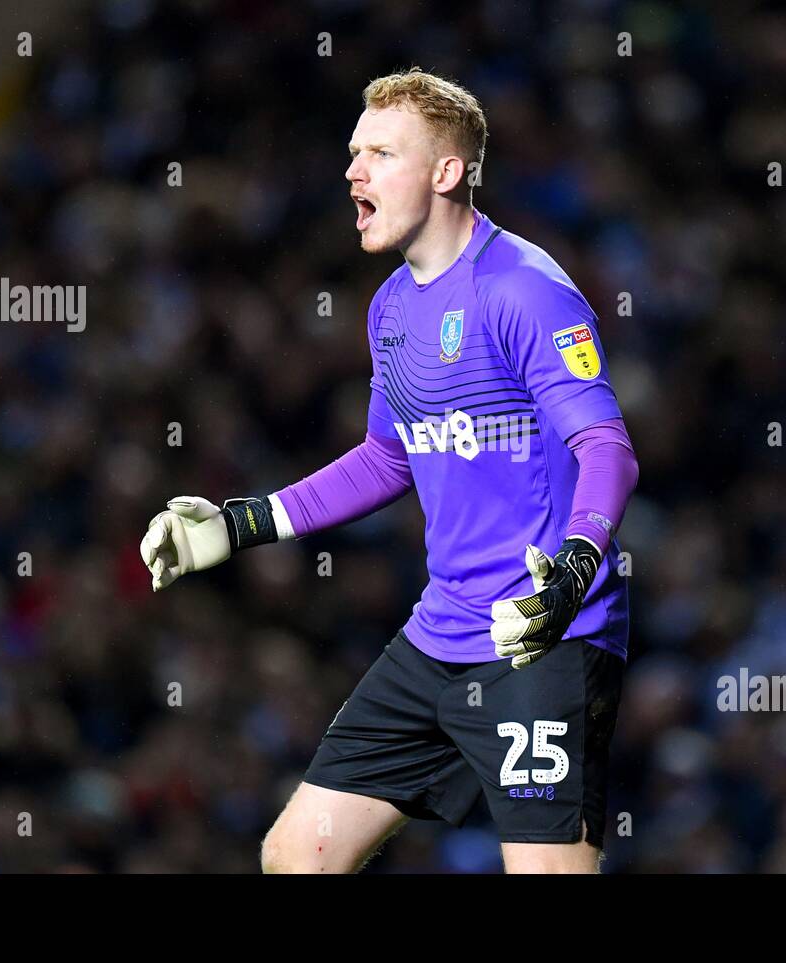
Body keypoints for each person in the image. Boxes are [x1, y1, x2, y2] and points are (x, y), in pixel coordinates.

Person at [140, 68, 639, 873]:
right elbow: (387, 456)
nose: (353, 172)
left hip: (541, 640)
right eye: (352, 152)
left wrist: (575, 569)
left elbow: (607, 448)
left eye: (379, 153)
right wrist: (243, 522)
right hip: (441, 632)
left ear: (446, 172)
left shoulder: (524, 290)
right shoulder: (390, 309)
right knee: (297, 856)